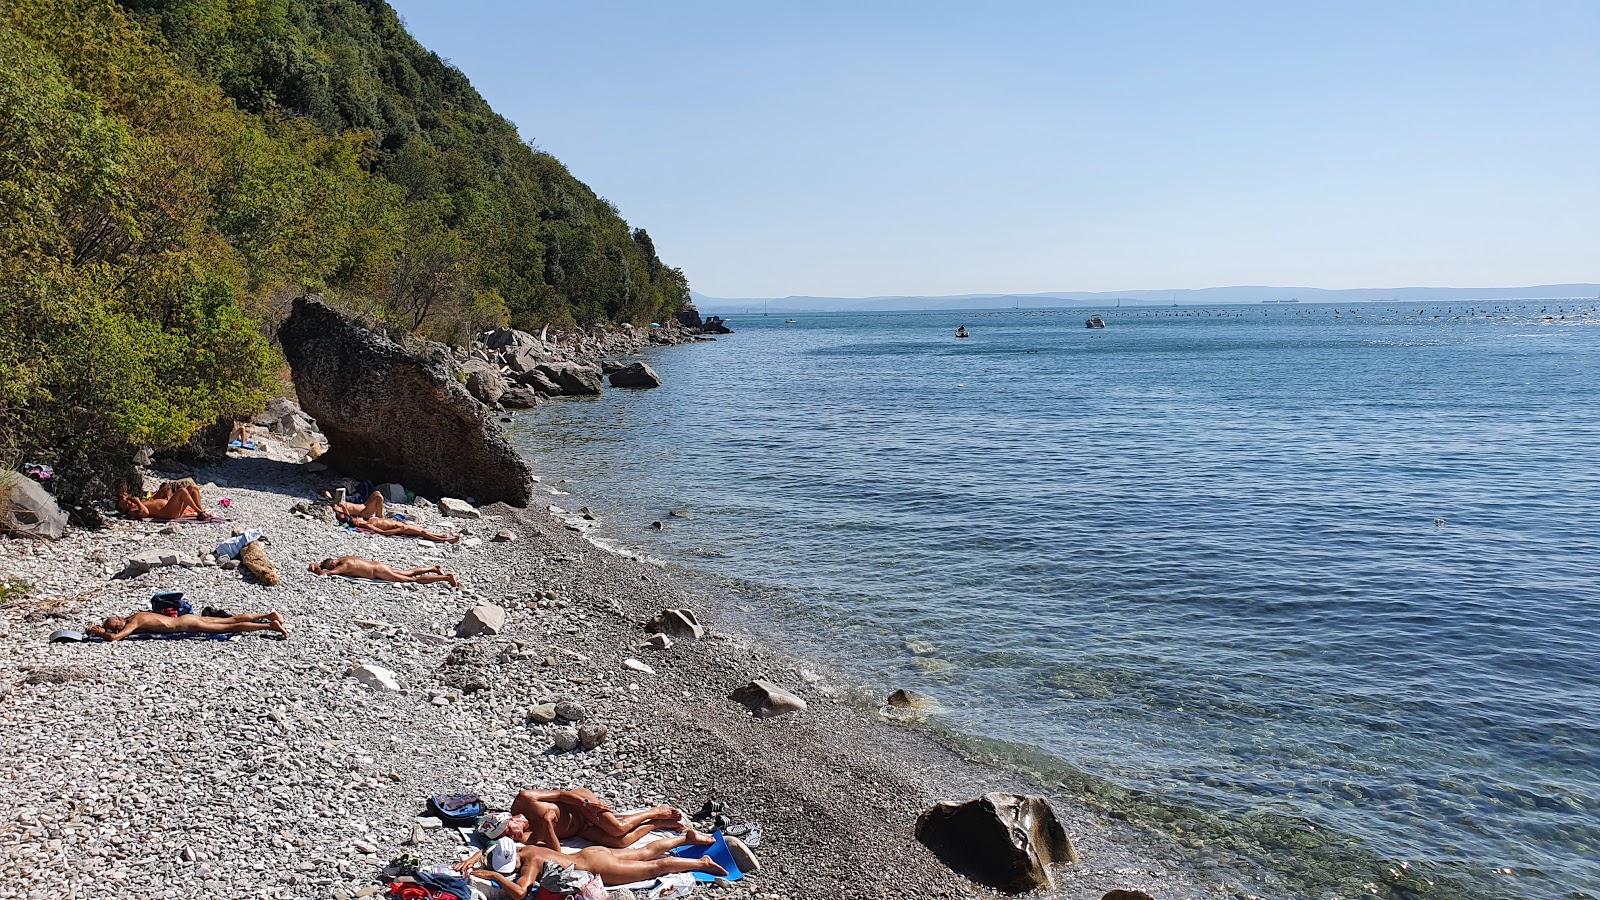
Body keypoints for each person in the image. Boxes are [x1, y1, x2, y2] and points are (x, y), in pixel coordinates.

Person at [469, 832, 726, 900]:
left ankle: (700, 863)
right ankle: (685, 838)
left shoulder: (528, 864)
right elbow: (496, 848)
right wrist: (474, 859)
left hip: (597, 869)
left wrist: (494, 875)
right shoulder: (525, 848)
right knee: (644, 852)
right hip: (591, 854)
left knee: (655, 867)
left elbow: (520, 893)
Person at [459, 792, 689, 866]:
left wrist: (586, 804)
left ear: (509, 819)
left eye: (509, 831)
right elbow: (556, 851)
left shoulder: (525, 800)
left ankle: (654, 812)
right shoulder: (526, 837)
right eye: (508, 837)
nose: (513, 837)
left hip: (580, 807)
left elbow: (559, 794)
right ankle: (657, 824)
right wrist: (547, 825)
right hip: (579, 830)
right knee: (620, 842)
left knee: (618, 828)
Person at [86, 610, 288, 641]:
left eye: (116, 625)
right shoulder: (137, 615)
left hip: (187, 625)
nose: (118, 628)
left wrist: (101, 633)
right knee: (230, 620)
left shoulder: (134, 622)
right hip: (187, 618)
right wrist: (101, 628)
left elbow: (115, 638)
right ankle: (268, 615)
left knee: (229, 628)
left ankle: (270, 626)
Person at [308, 556, 459, 587]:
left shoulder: (342, 567)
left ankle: (446, 578)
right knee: (409, 572)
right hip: (378, 565)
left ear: (332, 565)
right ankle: (434, 568)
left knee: (412, 580)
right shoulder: (345, 558)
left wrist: (316, 569)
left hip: (377, 573)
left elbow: (326, 575)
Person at [115, 482, 213, 521]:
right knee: (182, 491)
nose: (126, 502)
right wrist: (138, 502)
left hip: (170, 508)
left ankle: (202, 511)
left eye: (125, 500)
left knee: (193, 488)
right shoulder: (131, 511)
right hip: (167, 512)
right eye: (124, 504)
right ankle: (200, 512)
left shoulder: (136, 503)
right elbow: (145, 513)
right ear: (123, 510)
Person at [339, 512, 458, 543]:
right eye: (357, 519)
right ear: (357, 523)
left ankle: (442, 535)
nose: (359, 518)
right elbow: (383, 532)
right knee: (421, 532)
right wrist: (399, 530)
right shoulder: (368, 524)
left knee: (422, 531)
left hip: (401, 525)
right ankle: (445, 540)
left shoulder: (369, 520)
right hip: (400, 528)